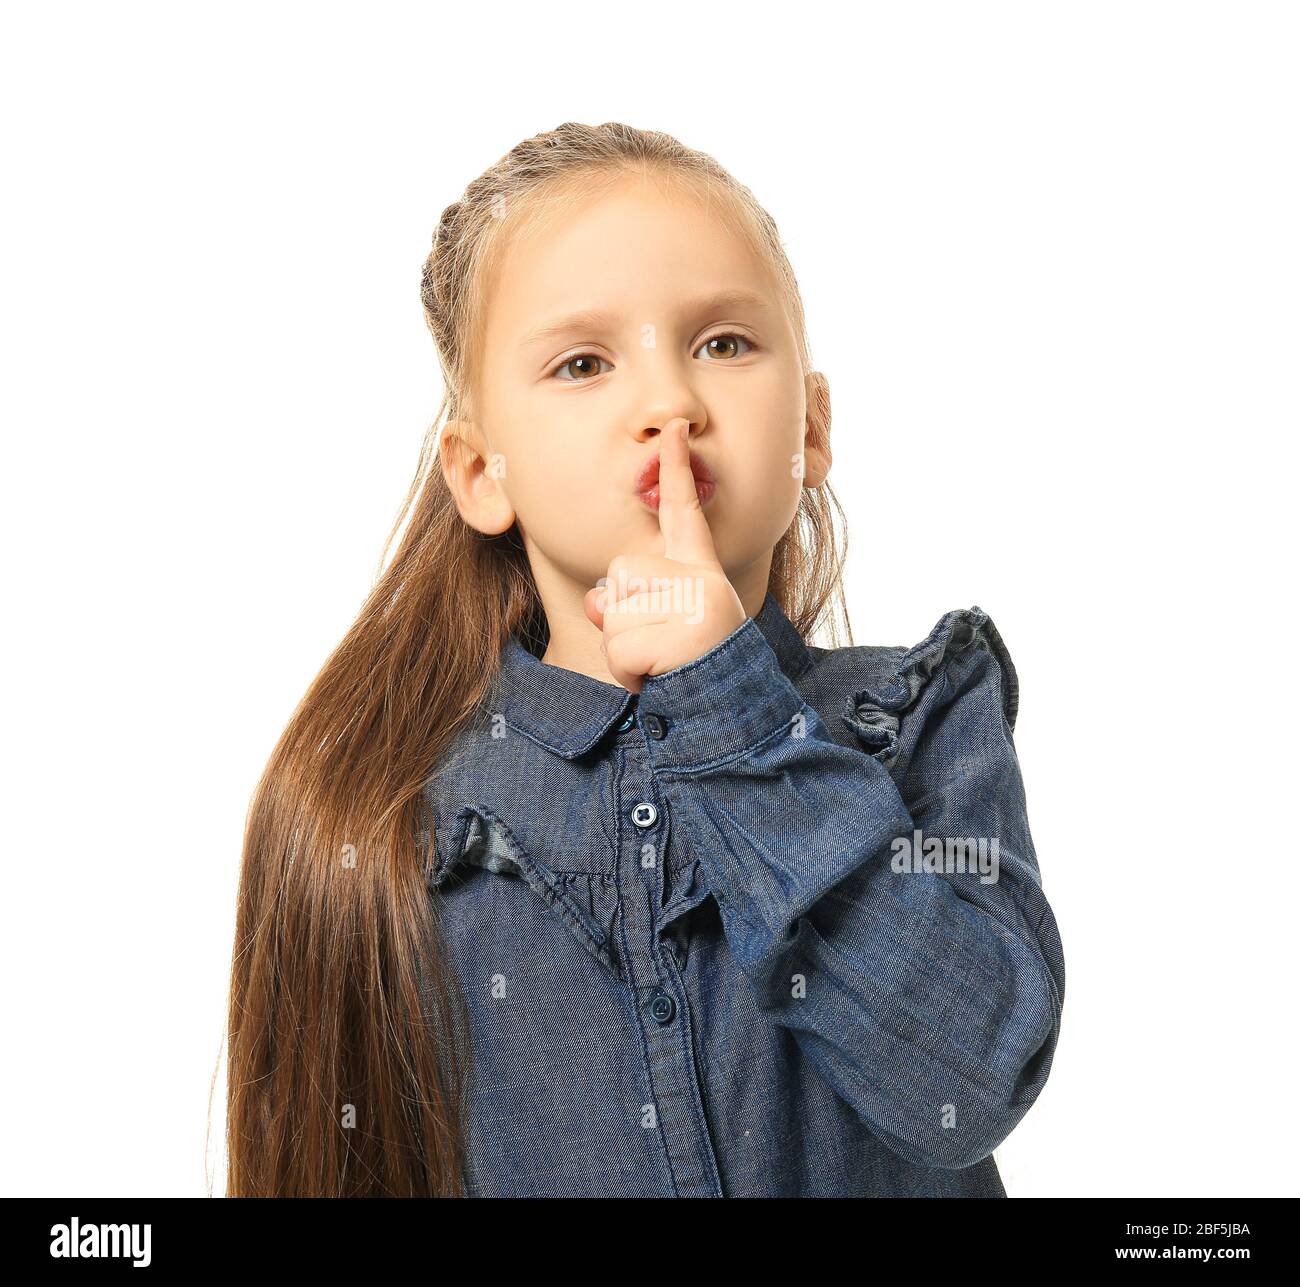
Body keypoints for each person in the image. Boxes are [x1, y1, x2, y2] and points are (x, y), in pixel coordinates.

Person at [225, 120, 1065, 1198]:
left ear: (812, 428)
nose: (669, 403)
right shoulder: (405, 814)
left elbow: (971, 1077)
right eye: (583, 363)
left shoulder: (920, 716)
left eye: (723, 343)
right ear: (481, 474)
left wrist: (730, 705)